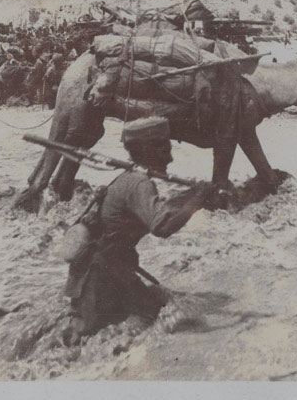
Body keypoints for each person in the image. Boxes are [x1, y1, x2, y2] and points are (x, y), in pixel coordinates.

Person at [61, 117, 215, 345]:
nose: (170, 158)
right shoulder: (139, 184)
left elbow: (162, 211)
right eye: (165, 149)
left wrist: (194, 197)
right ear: (147, 150)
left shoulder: (127, 179)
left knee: (148, 315)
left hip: (105, 271)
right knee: (82, 341)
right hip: (103, 276)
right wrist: (198, 199)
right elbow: (161, 227)